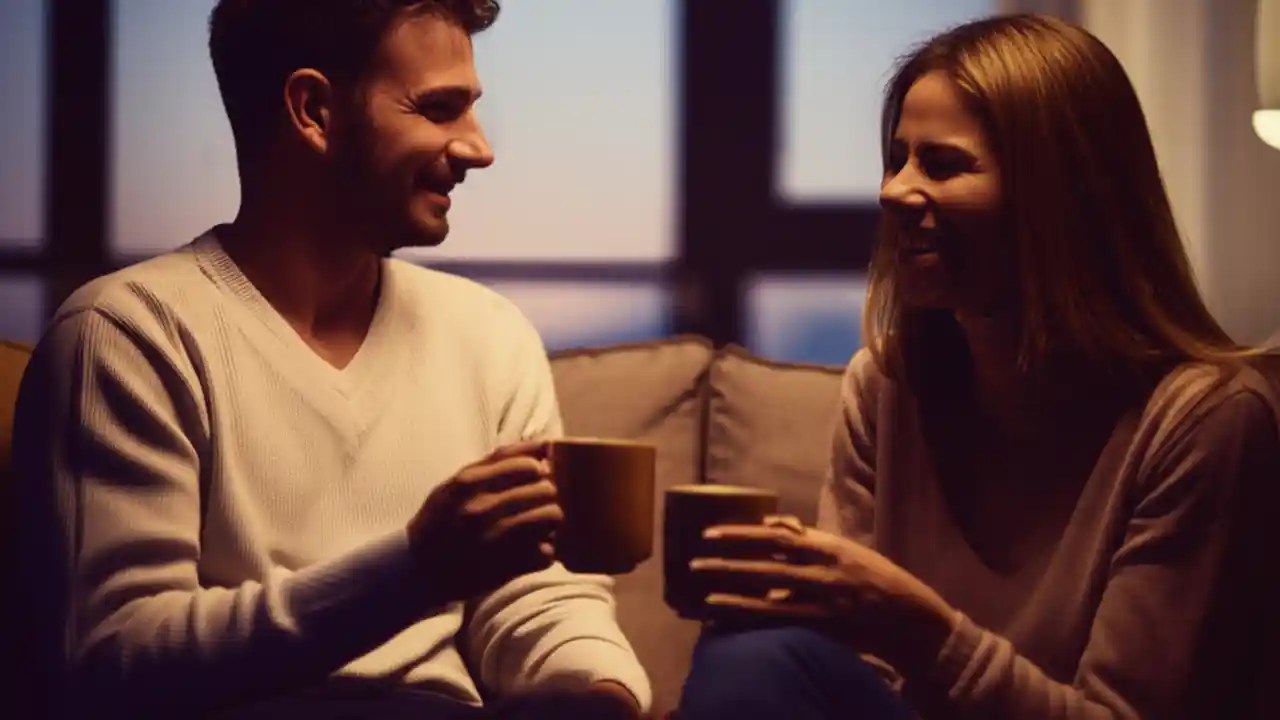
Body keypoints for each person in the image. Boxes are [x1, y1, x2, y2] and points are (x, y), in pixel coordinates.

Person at [9, 1, 649, 718]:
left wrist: (602, 693)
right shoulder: (127, 336)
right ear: (312, 109)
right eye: (439, 109)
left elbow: (539, 598)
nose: (479, 148)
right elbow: (114, 661)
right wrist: (416, 569)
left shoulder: (490, 336)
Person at [677, 13, 1280, 720]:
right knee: (756, 646)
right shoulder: (887, 386)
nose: (893, 191)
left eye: (942, 164)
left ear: (1060, 194)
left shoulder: (1203, 424)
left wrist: (924, 631)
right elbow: (853, 669)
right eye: (897, 158)